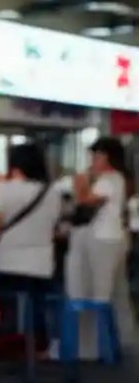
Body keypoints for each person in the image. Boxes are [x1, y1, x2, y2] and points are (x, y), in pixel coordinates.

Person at [0, 143, 61, 356]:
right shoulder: (53, 192)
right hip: (42, 269)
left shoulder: (5, 190)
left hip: (5, 266)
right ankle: (42, 345)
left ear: (13, 165)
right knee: (36, 299)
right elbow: (54, 228)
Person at [66, 136, 129, 357]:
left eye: (97, 155)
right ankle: (107, 345)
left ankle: (99, 348)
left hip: (104, 240)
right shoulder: (117, 179)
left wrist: (80, 183)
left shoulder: (108, 180)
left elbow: (84, 201)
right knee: (107, 292)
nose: (93, 159)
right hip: (111, 239)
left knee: (100, 294)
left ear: (107, 157)